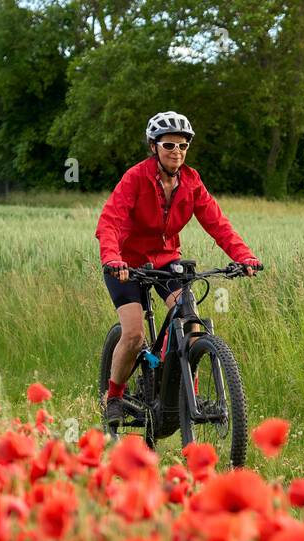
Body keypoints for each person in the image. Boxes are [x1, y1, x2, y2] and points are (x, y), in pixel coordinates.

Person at [96, 110, 261, 426]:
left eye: (183, 146)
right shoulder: (136, 178)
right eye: (169, 145)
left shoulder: (192, 181)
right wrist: (112, 258)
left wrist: (244, 256)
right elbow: (110, 221)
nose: (177, 152)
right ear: (154, 147)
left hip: (166, 261)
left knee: (191, 322)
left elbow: (218, 223)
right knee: (132, 334)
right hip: (126, 265)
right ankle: (114, 396)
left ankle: (188, 394)